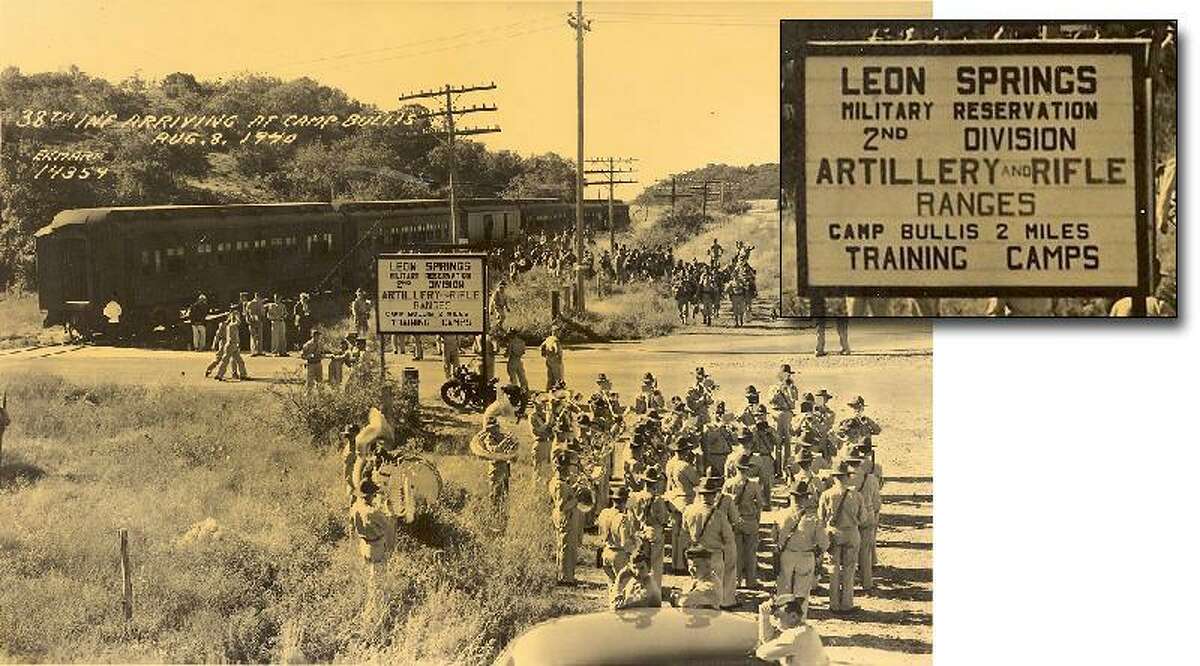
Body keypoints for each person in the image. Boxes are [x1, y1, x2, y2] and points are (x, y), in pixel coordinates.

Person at [818, 461, 870, 613]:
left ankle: (833, 604)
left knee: (833, 569)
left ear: (834, 477)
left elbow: (820, 518)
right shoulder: (856, 495)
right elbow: (863, 518)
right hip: (851, 533)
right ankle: (847, 603)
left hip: (833, 533)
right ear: (847, 476)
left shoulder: (826, 495)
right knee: (849, 569)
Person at [683, 473, 736, 609]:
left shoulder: (689, 511)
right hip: (714, 556)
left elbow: (684, 532)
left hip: (695, 555)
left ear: (700, 494)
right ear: (713, 495)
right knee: (714, 592)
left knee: (697, 589)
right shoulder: (719, 515)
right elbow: (728, 538)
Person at [775, 479, 828, 617]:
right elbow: (824, 542)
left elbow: (774, 536)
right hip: (805, 556)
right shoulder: (813, 519)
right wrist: (818, 552)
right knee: (802, 592)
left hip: (787, 554)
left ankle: (782, 619)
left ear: (791, 497)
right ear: (805, 498)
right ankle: (799, 619)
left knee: (784, 589)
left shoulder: (780, 514)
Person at [724, 452, 763, 592]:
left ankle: (737, 580)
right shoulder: (754, 485)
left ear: (736, 468)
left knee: (736, 553)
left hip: (735, 520)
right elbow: (760, 504)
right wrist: (758, 519)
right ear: (748, 469)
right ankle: (751, 581)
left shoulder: (729, 483)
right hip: (750, 519)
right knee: (751, 553)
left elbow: (723, 503)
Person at [548, 448, 586, 586]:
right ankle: (566, 578)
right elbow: (563, 506)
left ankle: (565, 575)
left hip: (564, 516)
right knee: (566, 547)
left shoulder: (558, 481)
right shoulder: (560, 485)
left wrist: (575, 488)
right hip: (566, 516)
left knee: (566, 546)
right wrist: (577, 498)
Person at [755, 595, 830, 665]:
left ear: (793, 616)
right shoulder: (806, 630)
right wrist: (764, 616)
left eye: (778, 616)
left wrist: (764, 616)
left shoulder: (794, 635)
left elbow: (762, 653)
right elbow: (768, 641)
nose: (776, 621)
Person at [627, 464, 669, 588]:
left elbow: (631, 516)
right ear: (655, 483)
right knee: (656, 564)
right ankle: (654, 589)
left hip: (640, 529)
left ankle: (640, 586)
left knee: (640, 562)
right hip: (654, 530)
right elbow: (662, 519)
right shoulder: (657, 499)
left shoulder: (634, 497)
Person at [469, 415, 519, 517]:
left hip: (505, 470)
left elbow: (509, 452)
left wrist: (512, 448)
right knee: (495, 496)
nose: (497, 429)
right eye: (494, 427)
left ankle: (503, 515)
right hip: (496, 471)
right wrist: (506, 441)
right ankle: (494, 516)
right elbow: (495, 450)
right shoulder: (489, 439)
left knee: (504, 495)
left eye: (497, 426)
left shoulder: (501, 437)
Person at [665, 437, 701, 574]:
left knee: (675, 533)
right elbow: (696, 481)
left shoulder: (670, 463)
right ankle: (682, 564)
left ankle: (675, 564)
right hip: (685, 499)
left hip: (673, 498)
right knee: (685, 534)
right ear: (685, 451)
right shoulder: (685, 466)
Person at [850, 456, 882, 591]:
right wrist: (874, 512)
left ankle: (850, 581)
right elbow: (877, 501)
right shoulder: (870, 478)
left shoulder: (845, 479)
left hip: (850, 515)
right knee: (866, 551)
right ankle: (867, 582)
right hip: (867, 514)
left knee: (850, 551)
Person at [597, 484, 635, 594]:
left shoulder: (604, 513)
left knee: (612, 586)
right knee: (623, 588)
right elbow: (624, 542)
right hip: (619, 554)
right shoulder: (623, 518)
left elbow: (600, 534)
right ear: (624, 501)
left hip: (606, 552)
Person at [611, 540, 662, 610]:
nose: (637, 572)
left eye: (642, 568)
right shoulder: (634, 580)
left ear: (648, 568)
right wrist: (620, 575)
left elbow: (638, 602)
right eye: (634, 568)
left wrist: (622, 603)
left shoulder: (650, 585)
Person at [768, 365, 798, 476]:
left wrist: (789, 388)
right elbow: (770, 400)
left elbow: (794, 400)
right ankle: (778, 470)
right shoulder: (773, 387)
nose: (787, 376)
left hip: (787, 414)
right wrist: (779, 390)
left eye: (789, 374)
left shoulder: (792, 387)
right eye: (785, 374)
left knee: (788, 444)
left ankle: (787, 469)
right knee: (778, 443)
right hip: (777, 414)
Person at [675, 545, 722, 609]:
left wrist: (676, 598)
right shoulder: (701, 578)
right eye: (689, 565)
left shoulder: (709, 586)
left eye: (696, 566)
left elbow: (685, 601)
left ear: (708, 566)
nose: (690, 569)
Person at [213, 310, 248, 381]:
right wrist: (236, 315)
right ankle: (219, 375)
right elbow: (238, 322)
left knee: (238, 361)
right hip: (231, 345)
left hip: (232, 345)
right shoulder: (232, 325)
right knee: (227, 361)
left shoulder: (230, 325)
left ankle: (242, 375)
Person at [540, 324, 565, 390]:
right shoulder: (555, 340)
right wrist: (559, 357)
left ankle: (548, 389)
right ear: (556, 332)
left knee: (550, 376)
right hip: (555, 360)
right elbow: (556, 349)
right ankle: (558, 391)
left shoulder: (548, 339)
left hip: (548, 359)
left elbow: (541, 346)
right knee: (558, 377)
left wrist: (544, 354)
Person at [245, 292, 266, 356]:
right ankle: (254, 351)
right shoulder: (251, 303)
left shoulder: (260, 303)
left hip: (258, 321)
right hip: (253, 321)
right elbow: (248, 313)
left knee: (259, 337)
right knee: (254, 337)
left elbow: (263, 313)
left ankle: (259, 351)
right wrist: (249, 320)